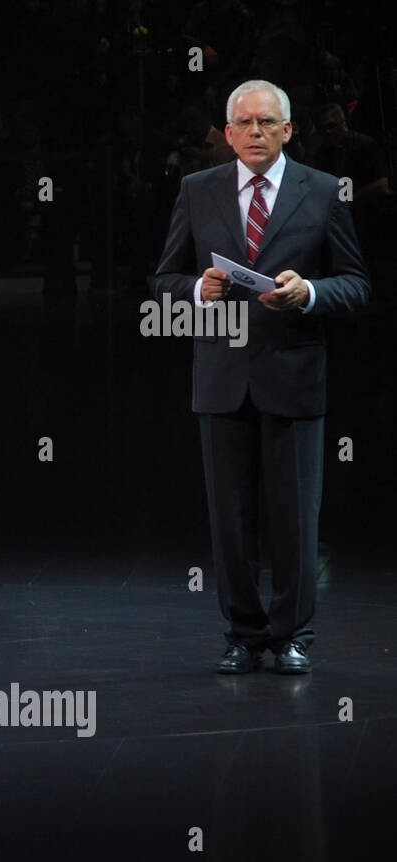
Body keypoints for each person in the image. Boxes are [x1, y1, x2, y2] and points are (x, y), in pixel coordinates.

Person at [154, 80, 369, 675]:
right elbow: (165, 278)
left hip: (295, 376)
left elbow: (356, 282)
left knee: (296, 517)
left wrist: (310, 293)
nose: (255, 132)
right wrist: (199, 288)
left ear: (287, 130)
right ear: (227, 134)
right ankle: (243, 635)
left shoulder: (322, 192)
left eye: (267, 123)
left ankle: (292, 634)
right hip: (222, 379)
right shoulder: (198, 191)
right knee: (231, 518)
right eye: (244, 123)